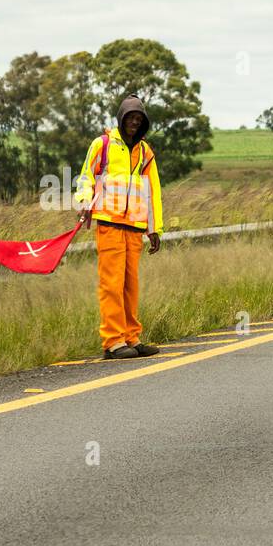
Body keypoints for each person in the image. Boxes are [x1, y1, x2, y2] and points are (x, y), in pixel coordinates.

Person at [72, 95, 164, 359]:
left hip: (135, 226)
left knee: (130, 285)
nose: (134, 122)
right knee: (112, 284)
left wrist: (153, 228)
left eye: (138, 119)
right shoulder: (101, 145)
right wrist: (83, 202)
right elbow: (86, 178)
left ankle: (131, 338)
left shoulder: (145, 152)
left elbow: (153, 192)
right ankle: (112, 342)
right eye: (130, 118)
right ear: (121, 118)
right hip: (110, 223)